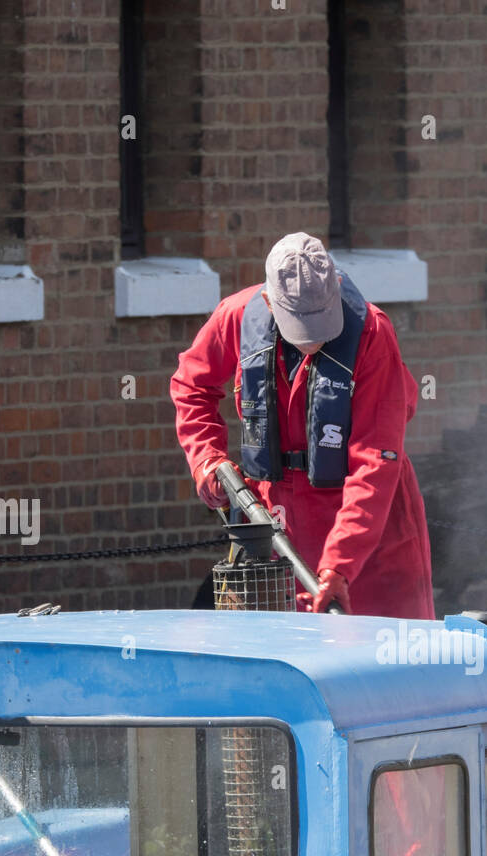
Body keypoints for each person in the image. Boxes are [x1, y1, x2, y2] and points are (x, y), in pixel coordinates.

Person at [171, 232, 434, 618]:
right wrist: (207, 459)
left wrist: (339, 565)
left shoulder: (373, 335)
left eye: (321, 319)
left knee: (392, 659)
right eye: (300, 323)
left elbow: (374, 462)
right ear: (268, 303)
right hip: (277, 524)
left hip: (370, 531)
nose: (313, 338)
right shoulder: (237, 316)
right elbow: (192, 385)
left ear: (336, 286)